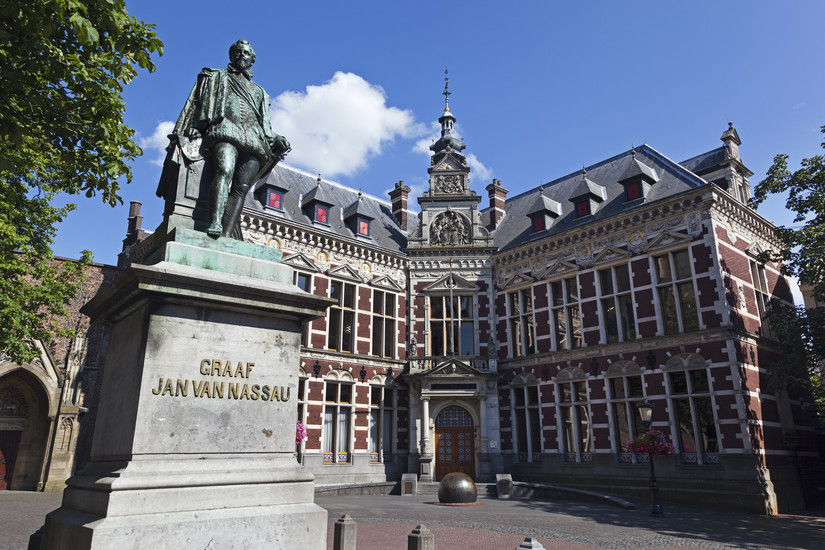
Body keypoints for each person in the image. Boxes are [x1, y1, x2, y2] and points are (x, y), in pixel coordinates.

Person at [170, 40, 290, 239]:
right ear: (232, 55)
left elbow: (265, 126)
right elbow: (198, 105)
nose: (242, 55)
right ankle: (215, 222)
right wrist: (195, 126)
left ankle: (227, 233)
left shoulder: (259, 91)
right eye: (238, 52)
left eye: (246, 53)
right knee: (224, 170)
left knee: (241, 188)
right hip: (226, 131)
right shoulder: (218, 77)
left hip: (254, 140)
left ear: (252, 60)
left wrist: (278, 139)